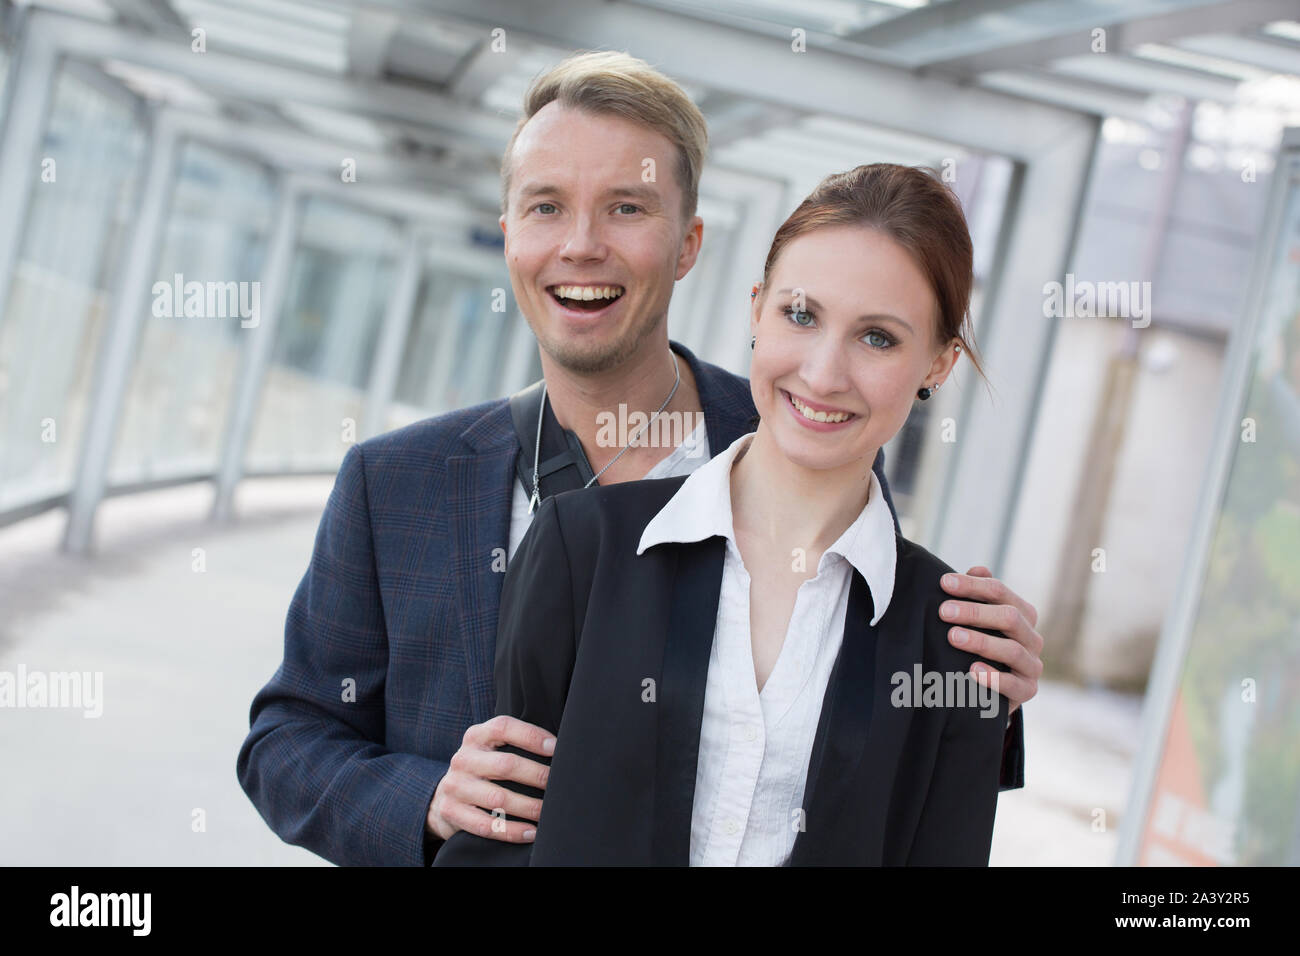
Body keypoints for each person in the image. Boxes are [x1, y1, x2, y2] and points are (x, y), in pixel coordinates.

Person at [237, 51, 1041, 867]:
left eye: (626, 208)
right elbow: (285, 741)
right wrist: (430, 801)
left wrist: (981, 702)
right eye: (546, 207)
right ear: (510, 233)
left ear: (689, 244)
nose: (582, 246)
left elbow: (842, 730)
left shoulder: (812, 441)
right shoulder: (393, 483)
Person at [431, 163, 1007, 866]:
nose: (824, 374)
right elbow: (499, 837)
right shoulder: (584, 547)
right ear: (758, 309)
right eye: (802, 315)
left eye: (878, 337)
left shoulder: (954, 644)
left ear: (939, 365)